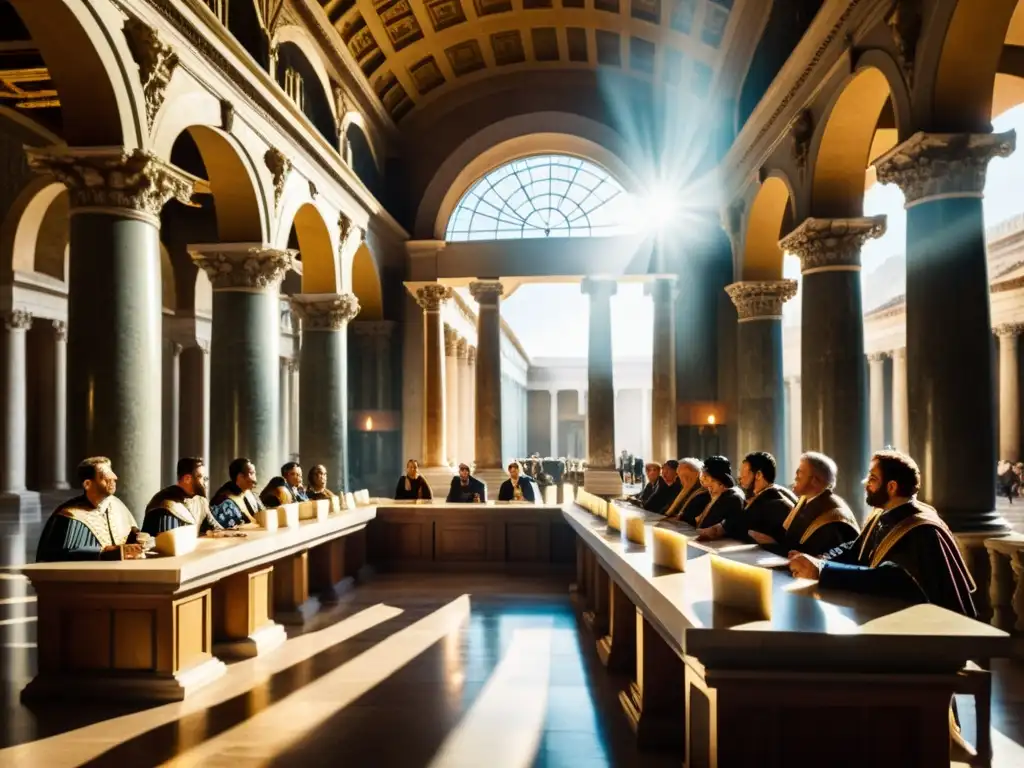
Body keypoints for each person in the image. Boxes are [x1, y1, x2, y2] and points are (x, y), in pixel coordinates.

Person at [788, 450, 976, 615]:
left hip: (918, 627)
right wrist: (818, 560)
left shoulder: (920, 528)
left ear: (891, 487)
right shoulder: (881, 514)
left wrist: (823, 571)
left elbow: (889, 579)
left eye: (872, 479)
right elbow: (855, 549)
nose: (865, 483)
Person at [750, 452, 858, 555]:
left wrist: (773, 546)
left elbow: (813, 556)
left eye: (800, 472)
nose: (795, 477)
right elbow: (789, 541)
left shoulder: (833, 516)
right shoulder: (804, 500)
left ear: (815, 481)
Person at [36, 457, 143, 562]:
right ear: (88, 484)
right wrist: (107, 552)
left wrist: (138, 537)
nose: (114, 478)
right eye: (105, 477)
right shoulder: (69, 515)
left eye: (112, 474)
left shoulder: (117, 505)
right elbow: (60, 555)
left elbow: (129, 535)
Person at [698, 452, 795, 541]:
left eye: (744, 474)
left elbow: (723, 529)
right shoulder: (780, 492)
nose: (740, 479)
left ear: (758, 475)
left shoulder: (767, 502)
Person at [142, 457, 220, 536]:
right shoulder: (166, 503)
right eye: (202, 477)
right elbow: (169, 541)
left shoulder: (200, 501)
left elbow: (215, 529)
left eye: (206, 478)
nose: (205, 483)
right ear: (187, 479)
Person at [693, 456, 745, 530]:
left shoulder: (731, 498)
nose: (704, 482)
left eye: (706, 477)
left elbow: (711, 526)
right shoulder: (715, 494)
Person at [210, 457, 264, 528]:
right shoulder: (224, 501)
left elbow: (263, 514)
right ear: (240, 477)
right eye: (252, 473)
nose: (255, 479)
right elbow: (231, 529)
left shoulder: (251, 494)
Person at [663, 458, 710, 523]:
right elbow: (667, 510)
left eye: (686, 477)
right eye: (681, 477)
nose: (682, 481)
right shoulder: (682, 489)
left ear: (697, 474)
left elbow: (689, 519)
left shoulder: (703, 494)